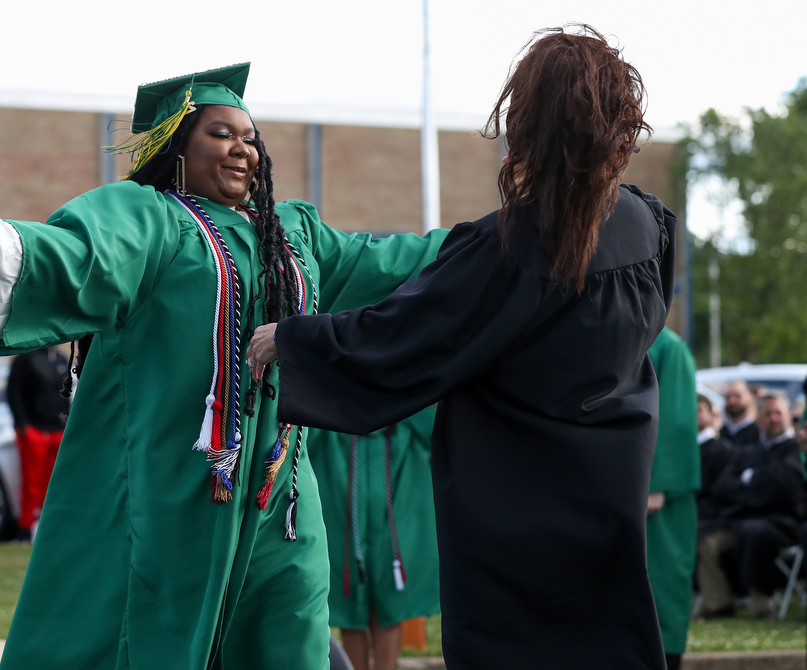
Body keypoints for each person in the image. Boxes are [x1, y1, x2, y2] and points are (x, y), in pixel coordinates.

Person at [0, 63, 447, 669]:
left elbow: (386, 260)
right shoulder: (151, 218)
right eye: (221, 133)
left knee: (290, 639)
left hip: (280, 499)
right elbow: (86, 251)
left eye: (249, 137)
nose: (241, 147)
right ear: (179, 148)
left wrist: (491, 241)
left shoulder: (293, 234)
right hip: (172, 494)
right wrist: (2, 240)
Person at [249, 25, 676, 669]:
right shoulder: (648, 224)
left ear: (530, 123)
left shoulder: (518, 243)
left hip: (517, 509)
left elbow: (409, 334)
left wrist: (294, 338)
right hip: (606, 489)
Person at [310, 406, 439, 670]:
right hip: (342, 508)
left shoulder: (409, 410)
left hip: (397, 516)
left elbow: (438, 432)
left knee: (390, 606)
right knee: (352, 609)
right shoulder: (332, 405)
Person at [697, 393, 806, 617]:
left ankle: (762, 604)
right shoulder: (748, 451)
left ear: (788, 417)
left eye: (778, 413)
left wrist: (748, 481)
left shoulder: (795, 450)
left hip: (782, 523)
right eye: (767, 414)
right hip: (740, 521)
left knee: (753, 534)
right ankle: (719, 604)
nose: (773, 418)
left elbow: (786, 485)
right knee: (705, 539)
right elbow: (722, 486)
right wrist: (759, 486)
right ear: (758, 418)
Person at [645, 328, 700, 670]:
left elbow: (677, 419)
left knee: (660, 585)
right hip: (621, 483)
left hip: (657, 494)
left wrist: (657, 482)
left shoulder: (668, 348)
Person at [5, 346, 69, 539]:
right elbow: (13, 391)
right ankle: (24, 529)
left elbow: (66, 393)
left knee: (54, 484)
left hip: (58, 429)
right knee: (31, 482)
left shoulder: (60, 358)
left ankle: (49, 528)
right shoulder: (25, 359)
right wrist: (23, 425)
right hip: (35, 430)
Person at [696, 394, 734, 525]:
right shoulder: (680, 448)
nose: (694, 414)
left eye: (699, 410)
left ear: (712, 415)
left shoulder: (722, 449)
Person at [720, 381, 760, 446]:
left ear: (751, 397)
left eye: (738, 396)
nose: (732, 401)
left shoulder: (759, 432)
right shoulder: (720, 432)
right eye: (728, 397)